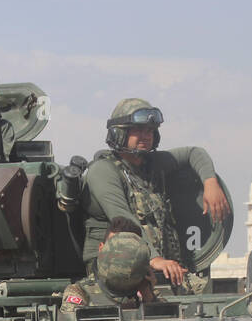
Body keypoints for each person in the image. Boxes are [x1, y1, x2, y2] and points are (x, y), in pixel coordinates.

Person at [81, 98, 230, 290]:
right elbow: (123, 220)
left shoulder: (152, 164)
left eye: (150, 130)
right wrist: (155, 259)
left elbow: (195, 153)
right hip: (113, 270)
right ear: (119, 133)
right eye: (138, 130)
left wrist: (210, 183)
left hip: (156, 267)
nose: (146, 135)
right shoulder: (103, 171)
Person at [59, 218, 156, 320]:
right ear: (101, 248)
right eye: (114, 245)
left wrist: (147, 296)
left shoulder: (145, 289)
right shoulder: (80, 291)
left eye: (128, 249)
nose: (121, 254)